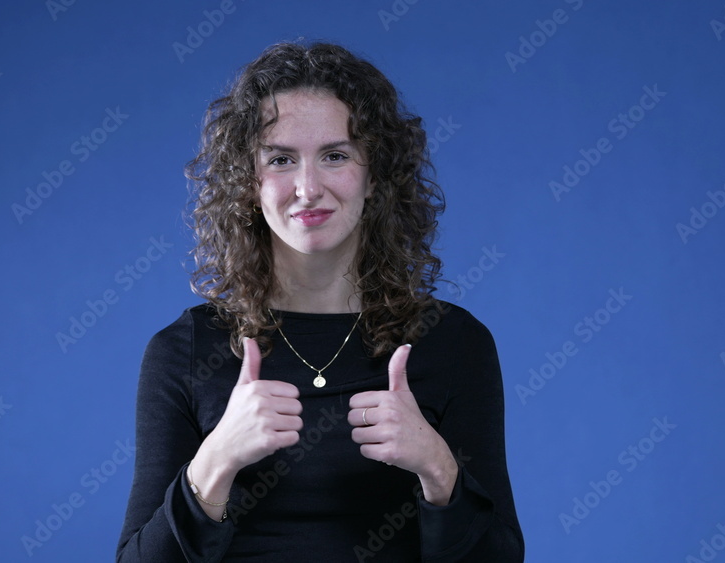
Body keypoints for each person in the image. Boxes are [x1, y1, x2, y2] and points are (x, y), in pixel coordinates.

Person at [117, 41, 524, 562]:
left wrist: (438, 468)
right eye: (281, 159)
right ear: (249, 183)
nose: (308, 188)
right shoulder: (185, 350)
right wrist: (216, 461)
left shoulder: (455, 344)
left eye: (335, 156)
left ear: (374, 176)